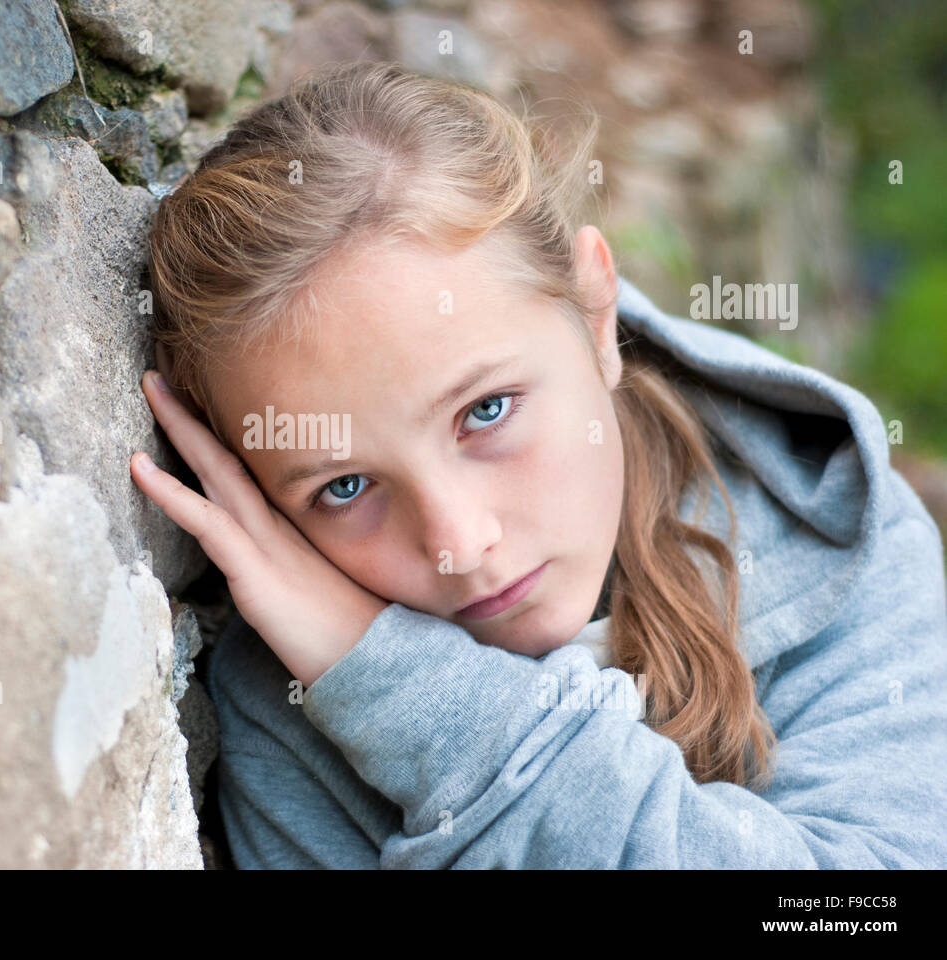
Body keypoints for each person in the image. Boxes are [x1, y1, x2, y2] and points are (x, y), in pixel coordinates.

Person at [128, 60, 947, 868]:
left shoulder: (833, 528)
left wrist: (417, 702)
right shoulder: (285, 704)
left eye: (486, 412)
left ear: (595, 314)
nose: (461, 540)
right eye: (345, 487)